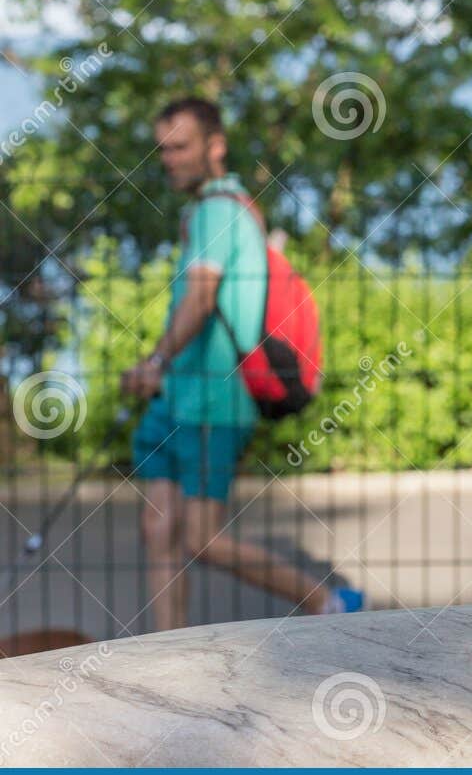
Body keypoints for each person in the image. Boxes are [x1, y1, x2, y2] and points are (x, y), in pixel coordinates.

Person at [120, 97, 361, 631]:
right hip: (174, 396)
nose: (170, 159)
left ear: (216, 146)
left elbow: (202, 299)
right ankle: (168, 654)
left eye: (181, 147)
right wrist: (157, 370)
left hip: (214, 400)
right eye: (163, 149)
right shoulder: (203, 211)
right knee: (158, 528)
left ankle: (326, 600)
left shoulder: (220, 211)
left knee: (202, 539)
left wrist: (155, 359)